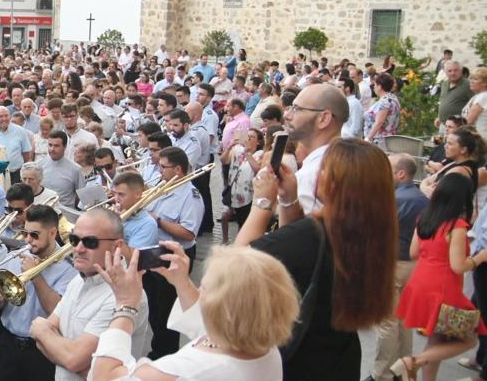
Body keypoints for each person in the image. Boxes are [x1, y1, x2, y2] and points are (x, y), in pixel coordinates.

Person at [237, 138, 397, 380]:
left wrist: (261, 203)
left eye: (324, 169)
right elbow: (300, 258)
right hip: (340, 358)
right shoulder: (373, 232)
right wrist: (289, 201)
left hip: (299, 362)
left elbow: (235, 266)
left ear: (333, 182)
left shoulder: (311, 235)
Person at [89, 245, 298, 380]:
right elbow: (206, 324)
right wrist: (181, 282)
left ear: (221, 308)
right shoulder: (263, 347)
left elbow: (104, 376)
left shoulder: (189, 371)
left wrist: (126, 305)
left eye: (203, 289)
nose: (199, 293)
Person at [29, 208, 151, 381]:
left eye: (90, 242)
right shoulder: (79, 278)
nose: (78, 249)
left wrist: (47, 335)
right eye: (74, 239)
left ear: (117, 246)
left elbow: (71, 358)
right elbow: (42, 340)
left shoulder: (124, 296)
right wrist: (69, 355)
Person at [392, 173, 487, 379]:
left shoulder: (424, 218)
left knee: (435, 340)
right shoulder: (457, 227)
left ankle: (421, 370)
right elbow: (458, 266)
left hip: (420, 284)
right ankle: (413, 361)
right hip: (444, 289)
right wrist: (480, 257)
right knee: (469, 339)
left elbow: (413, 253)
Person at [0, 203, 78, 381]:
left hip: (41, 351)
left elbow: (57, 310)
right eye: (26, 233)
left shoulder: (68, 269)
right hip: (8, 343)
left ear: (52, 233)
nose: (28, 240)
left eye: (35, 235)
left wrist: (35, 275)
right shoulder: (16, 256)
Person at [143, 147, 204, 358]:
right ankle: (158, 348)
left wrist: (157, 220)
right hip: (153, 252)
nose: (159, 171)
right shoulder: (163, 186)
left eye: (163, 167)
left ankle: (165, 354)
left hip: (174, 256)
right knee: (153, 307)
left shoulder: (191, 195)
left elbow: (188, 232)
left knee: (167, 311)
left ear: (178, 169)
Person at [374, 154, 430, 379]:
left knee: (387, 321)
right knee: (405, 319)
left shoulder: (394, 199)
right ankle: (403, 368)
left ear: (401, 173)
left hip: (394, 263)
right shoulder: (422, 199)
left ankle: (383, 373)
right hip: (414, 264)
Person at [285, 83, 349, 217]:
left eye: (297, 108)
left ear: (324, 118)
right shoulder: (352, 161)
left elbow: (304, 236)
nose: (287, 115)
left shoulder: (309, 177)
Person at [37, 131, 86, 211]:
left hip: (65, 216)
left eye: (56, 146)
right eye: (50, 145)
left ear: (65, 147)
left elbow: (81, 195)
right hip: (42, 213)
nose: (52, 149)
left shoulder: (75, 169)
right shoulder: (38, 165)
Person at [110, 171, 159, 249]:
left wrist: (115, 225)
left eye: (121, 194)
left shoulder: (148, 224)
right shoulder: (120, 215)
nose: (116, 199)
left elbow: (131, 257)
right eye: (115, 194)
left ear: (137, 194)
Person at [0, 107, 35, 184]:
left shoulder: (20, 131)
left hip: (16, 174)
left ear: (10, 116)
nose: (4, 119)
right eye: (0, 116)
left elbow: (26, 156)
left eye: (6, 115)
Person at [365, 73, 401, 147]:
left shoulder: (385, 101)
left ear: (379, 86)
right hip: (388, 139)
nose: (374, 87)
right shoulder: (393, 98)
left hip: (378, 141)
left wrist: (368, 138)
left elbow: (379, 121)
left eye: (375, 85)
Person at [465, 67, 487, 136]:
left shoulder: (483, 97)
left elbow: (468, 121)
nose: (471, 81)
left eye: (475, 79)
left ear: (485, 83)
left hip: (479, 139)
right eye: (471, 78)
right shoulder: (477, 96)